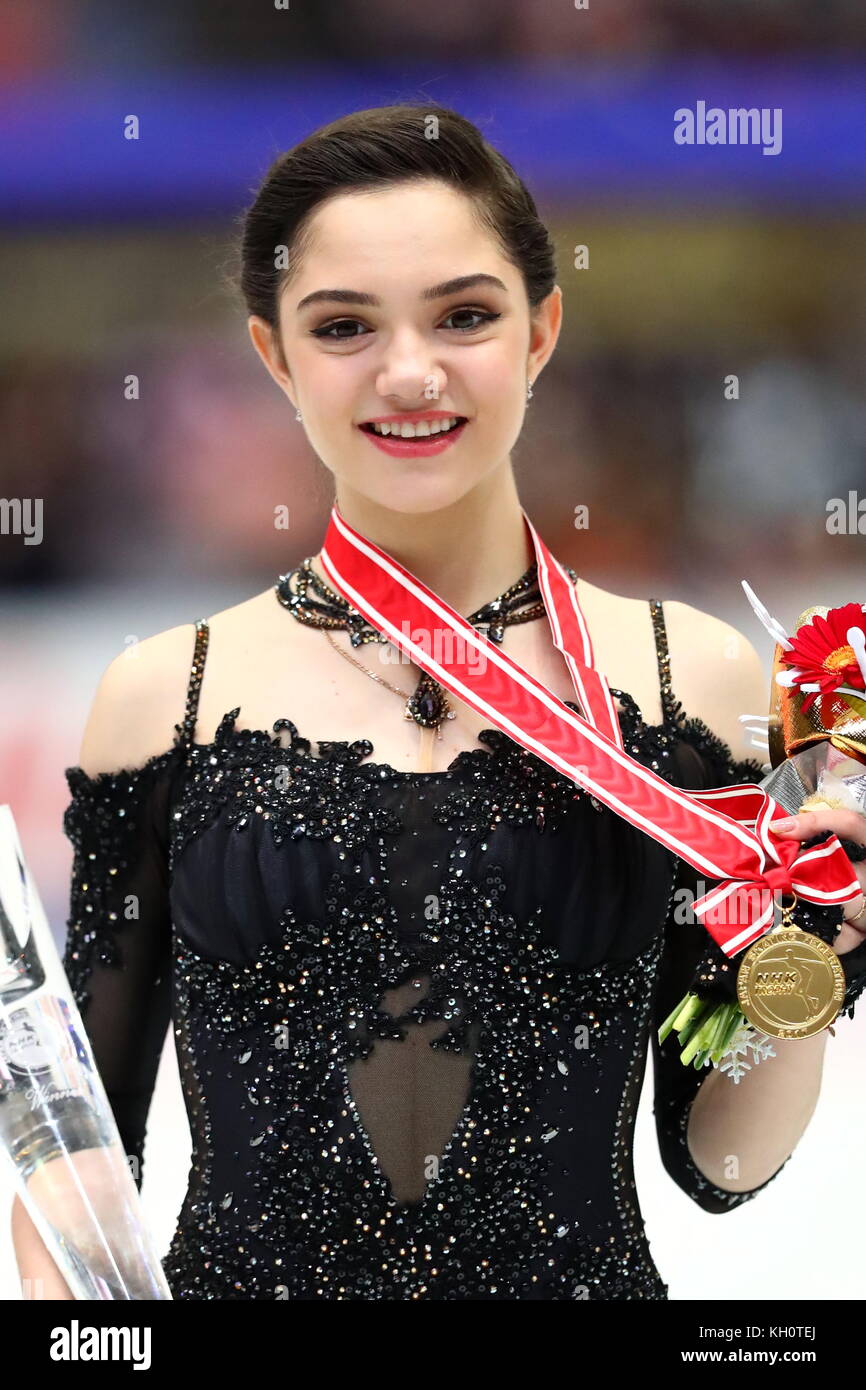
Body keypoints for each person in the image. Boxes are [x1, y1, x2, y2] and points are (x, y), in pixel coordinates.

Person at [13, 102, 866, 1301]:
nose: (409, 372)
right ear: (274, 355)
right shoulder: (166, 696)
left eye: (464, 315)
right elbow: (81, 1146)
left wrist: (813, 946)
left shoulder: (694, 676)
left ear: (539, 330)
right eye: (344, 326)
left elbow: (720, 1158)